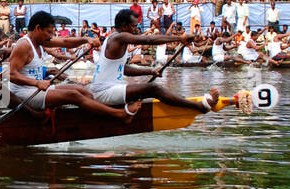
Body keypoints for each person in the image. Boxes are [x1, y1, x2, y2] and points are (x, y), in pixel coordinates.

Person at [92, 9, 222, 114]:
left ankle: (183, 102)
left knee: (149, 90)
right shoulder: (118, 37)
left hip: (110, 89)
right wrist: (179, 38)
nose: (136, 30)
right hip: (104, 92)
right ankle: (199, 106)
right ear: (124, 26)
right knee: (153, 88)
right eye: (133, 26)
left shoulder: (117, 40)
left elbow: (123, 69)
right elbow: (148, 40)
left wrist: (150, 71)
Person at [6, 11, 128, 120]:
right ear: (38, 28)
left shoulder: (40, 41)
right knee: (73, 95)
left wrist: (87, 40)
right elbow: (10, 74)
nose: (50, 36)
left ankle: (90, 118)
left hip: (37, 90)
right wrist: (37, 83)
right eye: (49, 32)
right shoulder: (24, 45)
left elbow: (65, 42)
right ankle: (119, 114)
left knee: (82, 90)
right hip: (23, 94)